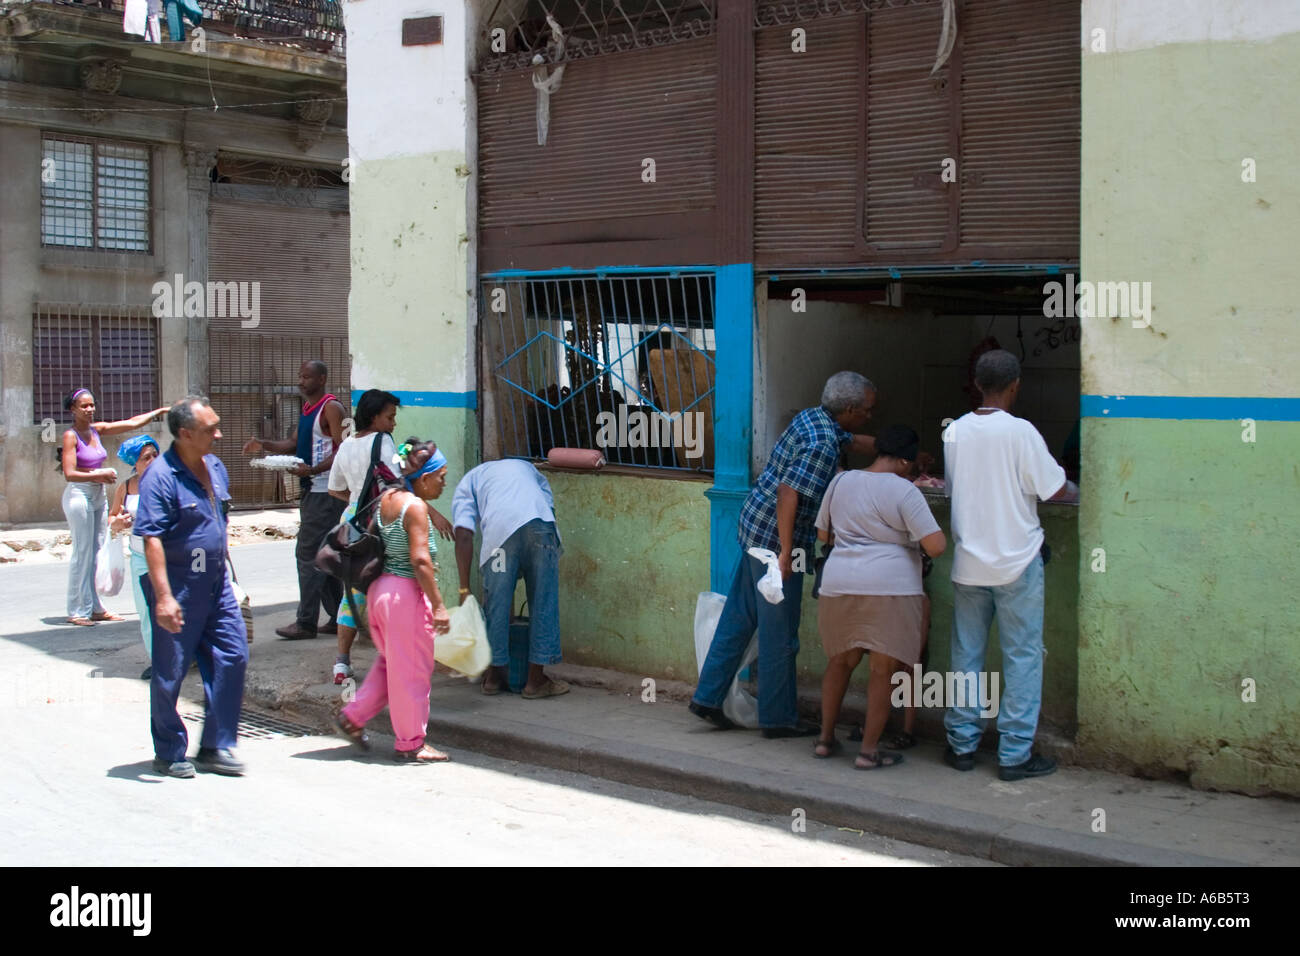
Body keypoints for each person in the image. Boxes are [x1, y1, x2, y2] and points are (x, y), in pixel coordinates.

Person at [690, 371, 878, 737]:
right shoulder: (823, 443)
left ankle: (707, 697)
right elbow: (789, 493)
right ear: (851, 408)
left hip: (754, 526)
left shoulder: (814, 417)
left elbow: (851, 439)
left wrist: (890, 449)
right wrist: (787, 553)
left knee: (739, 618)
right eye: (868, 410)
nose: (870, 416)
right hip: (777, 542)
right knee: (781, 635)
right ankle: (778, 719)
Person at [942, 349, 1078, 781]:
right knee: (1021, 657)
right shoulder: (1022, 433)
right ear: (1015, 386)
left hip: (968, 564)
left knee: (966, 653)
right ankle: (1014, 754)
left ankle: (961, 744)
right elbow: (1055, 490)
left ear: (976, 384)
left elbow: (953, 489)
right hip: (1017, 562)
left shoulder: (955, 432)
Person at [812, 425, 946, 769]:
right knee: (882, 671)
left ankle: (826, 740)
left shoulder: (840, 482)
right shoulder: (906, 492)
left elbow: (824, 534)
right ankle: (868, 752)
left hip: (839, 583)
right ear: (904, 461)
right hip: (890, 588)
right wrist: (903, 540)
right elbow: (937, 546)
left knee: (840, 661)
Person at [136, 397, 249, 778]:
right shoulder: (160, 477)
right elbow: (151, 539)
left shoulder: (215, 467)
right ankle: (169, 751)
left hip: (216, 583)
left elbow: (220, 521)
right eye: (209, 429)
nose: (218, 434)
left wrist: (229, 574)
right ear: (185, 434)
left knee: (233, 657)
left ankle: (216, 746)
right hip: (179, 585)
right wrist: (164, 597)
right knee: (170, 671)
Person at [333, 440, 453, 763]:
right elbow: (420, 561)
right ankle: (411, 743)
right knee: (411, 674)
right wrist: (439, 605)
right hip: (405, 597)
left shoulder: (386, 498)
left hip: (381, 593)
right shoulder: (414, 507)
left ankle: (353, 716)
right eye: (441, 476)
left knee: (391, 668)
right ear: (424, 477)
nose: (444, 483)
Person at [326, 390, 455, 683]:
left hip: (351, 522)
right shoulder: (382, 441)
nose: (394, 424)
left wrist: (358, 500)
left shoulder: (346, 445)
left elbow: (334, 489)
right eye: (390, 417)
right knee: (400, 586)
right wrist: (432, 513)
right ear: (374, 417)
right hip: (380, 523)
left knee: (353, 594)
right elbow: (399, 483)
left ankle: (342, 663)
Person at [243, 360, 347, 640]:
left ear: (322, 378)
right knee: (322, 555)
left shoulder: (331, 408)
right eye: (300, 376)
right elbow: (291, 443)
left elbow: (342, 450)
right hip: (312, 489)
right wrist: (263, 445)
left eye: (307, 377)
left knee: (307, 554)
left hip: (324, 491)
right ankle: (338, 617)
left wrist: (312, 470)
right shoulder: (307, 409)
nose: (301, 381)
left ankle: (306, 622)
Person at [452, 459, 566, 699]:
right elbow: (549, 508)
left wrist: (464, 589)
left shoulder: (468, 482)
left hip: (499, 536)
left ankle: (493, 678)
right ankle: (535, 682)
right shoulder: (527, 468)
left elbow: (463, 533)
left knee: (496, 603)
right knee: (543, 602)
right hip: (539, 525)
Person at [58, 388, 168, 627]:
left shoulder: (96, 430)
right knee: (83, 552)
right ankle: (77, 609)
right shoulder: (71, 435)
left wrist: (159, 411)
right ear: (73, 409)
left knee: (99, 549)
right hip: (79, 495)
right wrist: (99, 473)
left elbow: (131, 423)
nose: (89, 409)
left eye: (91, 405)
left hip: (98, 495)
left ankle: (95, 607)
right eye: (84, 406)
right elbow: (69, 473)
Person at [109, 435, 162, 679]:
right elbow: (112, 518)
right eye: (145, 458)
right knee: (146, 611)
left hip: (168, 557)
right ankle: (159, 660)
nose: (152, 460)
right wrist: (117, 523)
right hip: (140, 557)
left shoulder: (169, 482)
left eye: (155, 455)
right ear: (135, 464)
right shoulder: (126, 487)